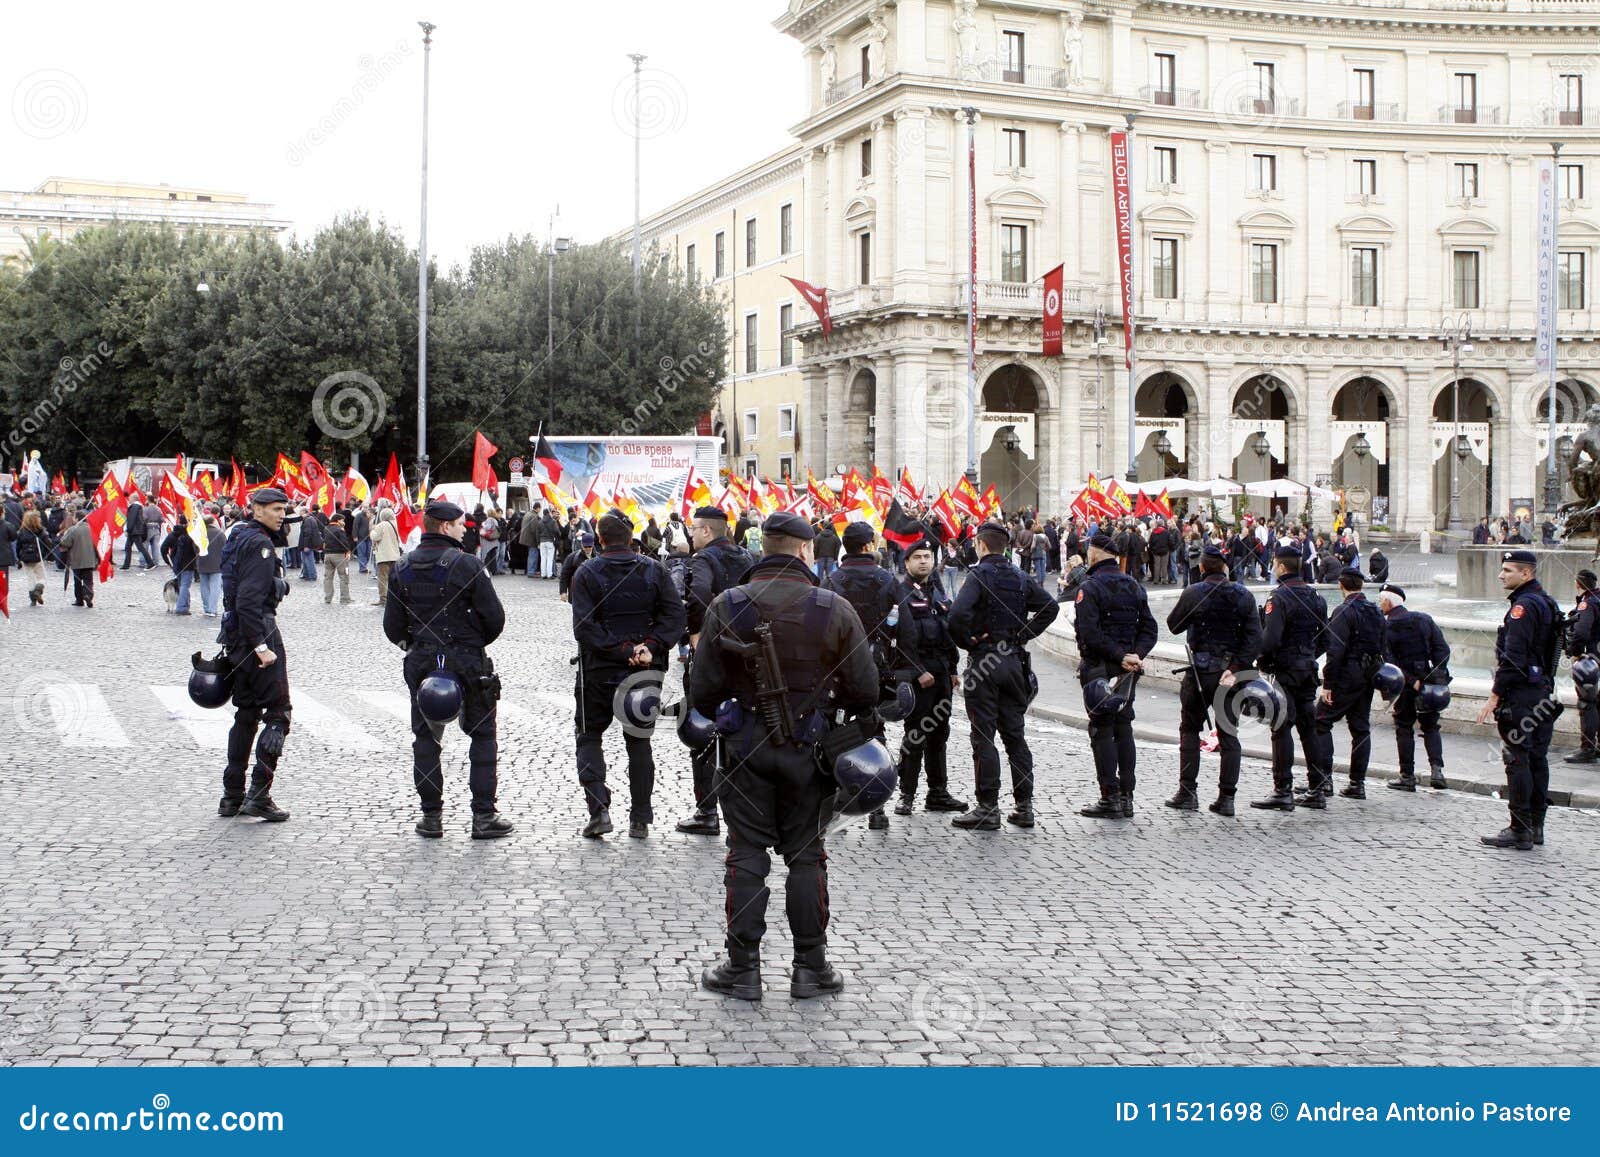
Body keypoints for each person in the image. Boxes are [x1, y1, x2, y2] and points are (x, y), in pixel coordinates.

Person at [689, 511, 878, 1002]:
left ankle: (743, 969)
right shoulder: (833, 608)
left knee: (746, 853)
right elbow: (865, 691)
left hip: (745, 750)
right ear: (803, 551)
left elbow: (702, 692)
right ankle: (810, 968)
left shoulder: (728, 603)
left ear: (764, 547)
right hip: (811, 752)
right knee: (807, 856)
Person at [384, 499, 513, 840]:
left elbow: (392, 627)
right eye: (459, 525)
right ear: (444, 527)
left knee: (425, 739)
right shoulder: (468, 564)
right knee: (483, 736)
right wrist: (472, 643)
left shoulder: (402, 566)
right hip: (467, 659)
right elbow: (495, 619)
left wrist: (416, 646)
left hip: (422, 659)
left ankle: (431, 818)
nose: (463, 530)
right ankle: (483, 817)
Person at [569, 511, 687, 839]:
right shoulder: (655, 570)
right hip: (644, 669)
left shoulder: (587, 572)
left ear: (600, 538)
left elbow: (584, 627)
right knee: (639, 742)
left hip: (599, 670)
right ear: (631, 536)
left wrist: (624, 650)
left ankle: (599, 810)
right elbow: (675, 615)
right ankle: (640, 818)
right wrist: (648, 646)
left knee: (589, 735)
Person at [947, 521, 1061, 829]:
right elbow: (1050, 606)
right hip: (1014, 661)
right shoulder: (1020, 576)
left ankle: (988, 807)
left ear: (981, 545)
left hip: (985, 662)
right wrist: (1023, 634)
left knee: (983, 735)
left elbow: (956, 616)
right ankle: (1024, 807)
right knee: (1015, 736)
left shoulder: (978, 576)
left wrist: (967, 641)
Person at [824, 521, 918, 831]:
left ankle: (835, 802)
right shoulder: (888, 580)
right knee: (873, 728)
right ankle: (876, 806)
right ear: (867, 546)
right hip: (878, 669)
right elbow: (906, 629)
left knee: (835, 734)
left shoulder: (831, 581)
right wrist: (902, 675)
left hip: (838, 670)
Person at [1165, 544, 1263, 817]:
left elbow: (1174, 625)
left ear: (1202, 568)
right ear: (1224, 568)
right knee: (1229, 734)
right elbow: (1255, 639)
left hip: (1200, 671)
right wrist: (1236, 667)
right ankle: (1227, 797)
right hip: (1230, 674)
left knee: (1189, 731)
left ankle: (1187, 792)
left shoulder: (1195, 592)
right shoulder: (1243, 595)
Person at [216, 488, 295, 822]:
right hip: (257, 631)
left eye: (283, 509)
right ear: (257, 509)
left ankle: (232, 796)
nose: (281, 515)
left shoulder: (237, 534)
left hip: (235, 635)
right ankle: (259, 796)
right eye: (276, 509)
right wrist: (262, 647)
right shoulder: (260, 544)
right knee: (278, 712)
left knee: (246, 712)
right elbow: (249, 600)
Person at [674, 507, 754, 835]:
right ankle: (744, 809)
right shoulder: (749, 558)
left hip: (712, 656)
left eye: (693, 530)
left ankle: (707, 810)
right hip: (747, 655)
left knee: (703, 728)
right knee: (745, 728)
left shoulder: (703, 559)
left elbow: (697, 594)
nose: (690, 536)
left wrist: (697, 632)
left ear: (707, 531)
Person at [1478, 550, 1563, 850]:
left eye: (1508, 570)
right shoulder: (1547, 602)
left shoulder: (1523, 608)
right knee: (1537, 758)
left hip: (1523, 695)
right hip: (1542, 691)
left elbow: (1513, 660)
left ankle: (1520, 828)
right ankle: (1536, 826)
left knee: (1518, 759)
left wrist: (1494, 695)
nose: (1502, 575)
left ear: (1526, 574)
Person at [1071, 532, 1157, 819]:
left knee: (1102, 731)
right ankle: (1127, 796)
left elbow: (1090, 634)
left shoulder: (1090, 587)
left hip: (1100, 667)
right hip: (1126, 670)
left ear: (1094, 553)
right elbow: (1150, 628)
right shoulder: (1133, 585)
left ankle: (1110, 797)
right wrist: (1136, 655)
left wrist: (1121, 656)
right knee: (1124, 728)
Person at [1250, 544, 1329, 812]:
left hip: (1284, 670)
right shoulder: (1316, 597)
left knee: (1280, 728)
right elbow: (1326, 639)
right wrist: (1308, 655)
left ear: (1281, 566)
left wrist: (1261, 660)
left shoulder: (1279, 598)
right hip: (1307, 669)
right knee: (1309, 729)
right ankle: (1317, 788)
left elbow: (1270, 639)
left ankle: (1283, 789)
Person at [893, 539, 968, 815]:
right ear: (907, 563)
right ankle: (907, 794)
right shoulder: (900, 593)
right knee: (915, 734)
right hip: (918, 675)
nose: (924, 561)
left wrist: (952, 669)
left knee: (939, 734)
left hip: (940, 675)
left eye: (927, 556)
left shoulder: (936, 592)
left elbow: (946, 633)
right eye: (918, 557)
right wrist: (916, 671)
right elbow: (899, 639)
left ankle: (938, 792)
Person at [1307, 568, 1387, 803]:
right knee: (1360, 728)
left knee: (1321, 721)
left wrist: (1328, 683)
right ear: (1361, 585)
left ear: (1342, 585)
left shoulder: (1343, 610)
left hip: (1346, 674)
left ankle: (1323, 781)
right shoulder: (1375, 610)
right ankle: (1357, 784)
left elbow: (1336, 650)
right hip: (1369, 674)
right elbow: (1383, 645)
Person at [1378, 584, 1451, 791]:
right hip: (1428, 681)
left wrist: (1410, 680)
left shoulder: (1386, 626)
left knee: (1404, 727)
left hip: (1403, 683)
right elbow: (1442, 651)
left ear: (1388, 602)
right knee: (1431, 726)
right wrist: (1433, 676)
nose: (1379, 605)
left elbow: (1388, 660)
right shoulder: (1424, 619)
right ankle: (1437, 771)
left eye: (1381, 601)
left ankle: (1407, 776)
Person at [1565, 569, 1600, 764]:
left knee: (1587, 703)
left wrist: (1576, 653)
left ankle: (1587, 748)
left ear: (1578, 584)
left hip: (1592, 659)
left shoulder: (1588, 603)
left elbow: (1581, 631)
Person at [58, 509, 98, 607]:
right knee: (88, 580)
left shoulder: (73, 529)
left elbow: (66, 543)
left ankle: (79, 600)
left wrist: (61, 539)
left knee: (77, 580)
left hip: (76, 559)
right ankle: (88, 594)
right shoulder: (92, 528)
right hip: (89, 559)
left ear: (77, 518)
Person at [160, 517, 200, 615]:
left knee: (182, 585)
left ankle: (185, 605)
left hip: (176, 564)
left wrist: (168, 562)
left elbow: (163, 548)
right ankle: (182, 607)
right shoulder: (191, 535)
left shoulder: (173, 534)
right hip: (188, 563)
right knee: (185, 586)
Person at [16, 509, 53, 606]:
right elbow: (48, 544)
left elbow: (18, 546)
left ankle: (33, 599)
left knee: (30, 579)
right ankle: (38, 590)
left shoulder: (22, 532)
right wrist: (46, 555)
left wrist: (19, 558)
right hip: (38, 557)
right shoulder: (41, 531)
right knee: (41, 577)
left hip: (26, 557)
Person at [195, 506, 224, 616]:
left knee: (204, 586)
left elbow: (195, 548)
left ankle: (207, 608)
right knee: (215, 587)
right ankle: (212, 609)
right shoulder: (220, 533)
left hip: (202, 562)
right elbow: (225, 548)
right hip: (217, 563)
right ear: (213, 522)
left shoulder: (200, 534)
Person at [370, 507, 402, 605]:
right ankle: (395, 597)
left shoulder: (382, 525)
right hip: (395, 555)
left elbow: (376, 537)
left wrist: (372, 531)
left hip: (384, 556)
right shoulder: (396, 524)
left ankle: (383, 599)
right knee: (394, 578)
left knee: (383, 578)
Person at [321, 512, 353, 604]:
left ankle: (328, 598)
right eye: (342, 520)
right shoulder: (340, 529)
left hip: (327, 555)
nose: (343, 522)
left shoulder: (326, 528)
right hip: (339, 555)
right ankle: (345, 598)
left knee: (328, 577)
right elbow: (344, 542)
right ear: (338, 520)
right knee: (343, 576)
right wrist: (348, 551)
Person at [557, 532, 597, 602]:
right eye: (585, 546)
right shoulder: (573, 557)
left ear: (593, 544)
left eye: (589, 546)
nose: (587, 548)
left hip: (593, 594)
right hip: (577, 593)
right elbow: (564, 575)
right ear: (582, 544)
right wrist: (563, 592)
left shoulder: (598, 557)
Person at [121, 497, 154, 569]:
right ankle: (126, 565)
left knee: (140, 548)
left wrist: (128, 529)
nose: (129, 499)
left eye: (130, 498)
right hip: (135, 530)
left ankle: (150, 563)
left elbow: (131, 519)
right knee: (128, 547)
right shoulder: (138, 507)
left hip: (133, 531)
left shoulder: (134, 507)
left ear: (133, 499)